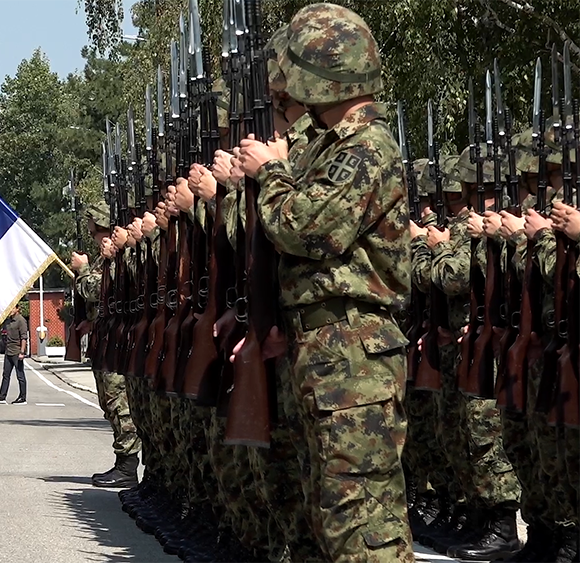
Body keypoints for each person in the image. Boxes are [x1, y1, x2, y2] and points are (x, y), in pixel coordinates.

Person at [238, 3, 414, 561]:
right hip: (325, 351)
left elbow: (308, 229)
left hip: (354, 358)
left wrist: (268, 171)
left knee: (361, 524)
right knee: (323, 518)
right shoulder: (329, 143)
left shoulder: (367, 147)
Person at [72, 199, 141, 488]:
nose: (95, 239)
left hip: (118, 339)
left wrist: (83, 268)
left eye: (95, 233)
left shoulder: (115, 256)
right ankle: (124, 463)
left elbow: (97, 291)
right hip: (105, 334)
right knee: (108, 402)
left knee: (118, 401)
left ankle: (127, 464)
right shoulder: (108, 257)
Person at [0, 304, 28, 405]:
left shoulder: (21, 321)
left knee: (20, 375)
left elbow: (24, 337)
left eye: (12, 308)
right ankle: (2, 396)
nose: (10, 310)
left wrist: (22, 352)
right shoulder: (7, 321)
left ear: (17, 309)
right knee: (6, 375)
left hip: (17, 352)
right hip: (8, 351)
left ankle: (22, 397)